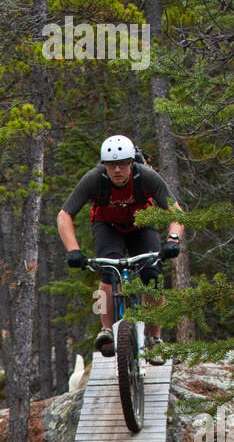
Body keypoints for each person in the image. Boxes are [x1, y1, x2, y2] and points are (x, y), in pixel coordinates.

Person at [56, 134, 184, 361]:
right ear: (104, 165)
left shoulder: (146, 176)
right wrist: (73, 249)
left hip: (142, 225)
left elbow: (176, 212)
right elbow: (64, 215)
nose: (117, 170)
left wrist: (172, 240)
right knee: (108, 272)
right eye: (111, 165)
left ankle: (154, 338)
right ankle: (106, 330)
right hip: (108, 226)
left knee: (152, 276)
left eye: (123, 164)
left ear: (131, 162)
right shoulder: (94, 179)